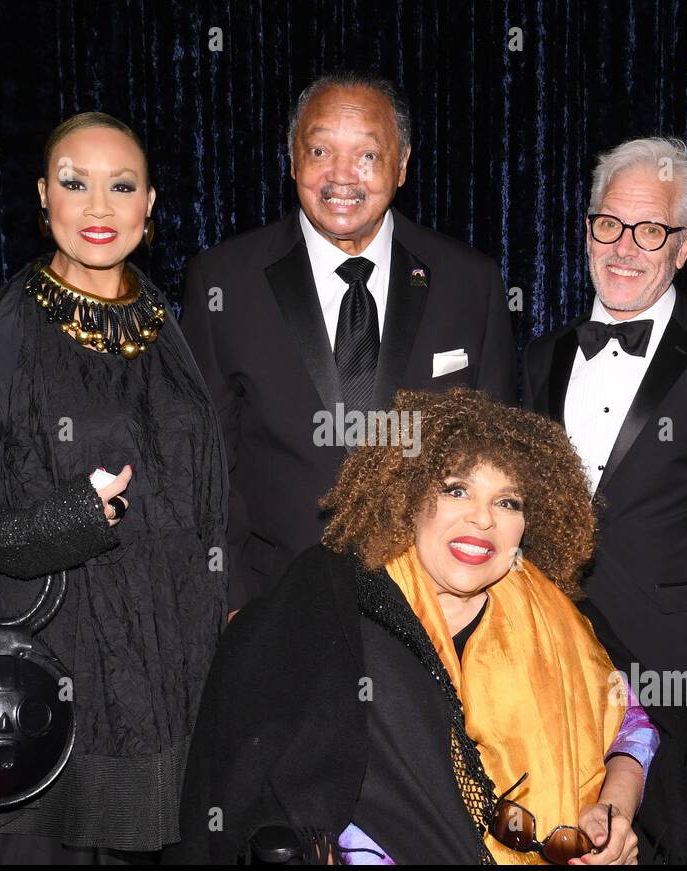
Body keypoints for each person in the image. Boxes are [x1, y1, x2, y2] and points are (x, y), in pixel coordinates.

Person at [0, 111, 228, 864]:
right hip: (48, 671)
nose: (99, 208)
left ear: (149, 202)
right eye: (75, 183)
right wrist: (58, 522)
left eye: (120, 185)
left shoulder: (168, 321)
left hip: (167, 682)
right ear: (43, 194)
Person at [170, 387, 657, 865]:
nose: (482, 518)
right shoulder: (336, 610)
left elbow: (630, 729)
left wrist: (612, 813)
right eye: (456, 490)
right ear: (408, 498)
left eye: (508, 502)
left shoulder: (552, 612)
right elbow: (285, 792)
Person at [522, 137, 687, 863]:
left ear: (684, 245)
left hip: (676, 672)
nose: (625, 247)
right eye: (609, 224)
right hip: (553, 661)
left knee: (684, 849)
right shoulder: (542, 357)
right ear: (587, 229)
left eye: (651, 230)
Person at [181, 71, 517, 612]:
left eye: (367, 155)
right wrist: (234, 604)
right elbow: (202, 466)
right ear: (293, 159)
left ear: (402, 165)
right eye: (320, 151)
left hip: (431, 609)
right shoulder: (223, 282)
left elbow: (496, 462)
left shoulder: (469, 283)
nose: (342, 177)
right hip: (274, 607)